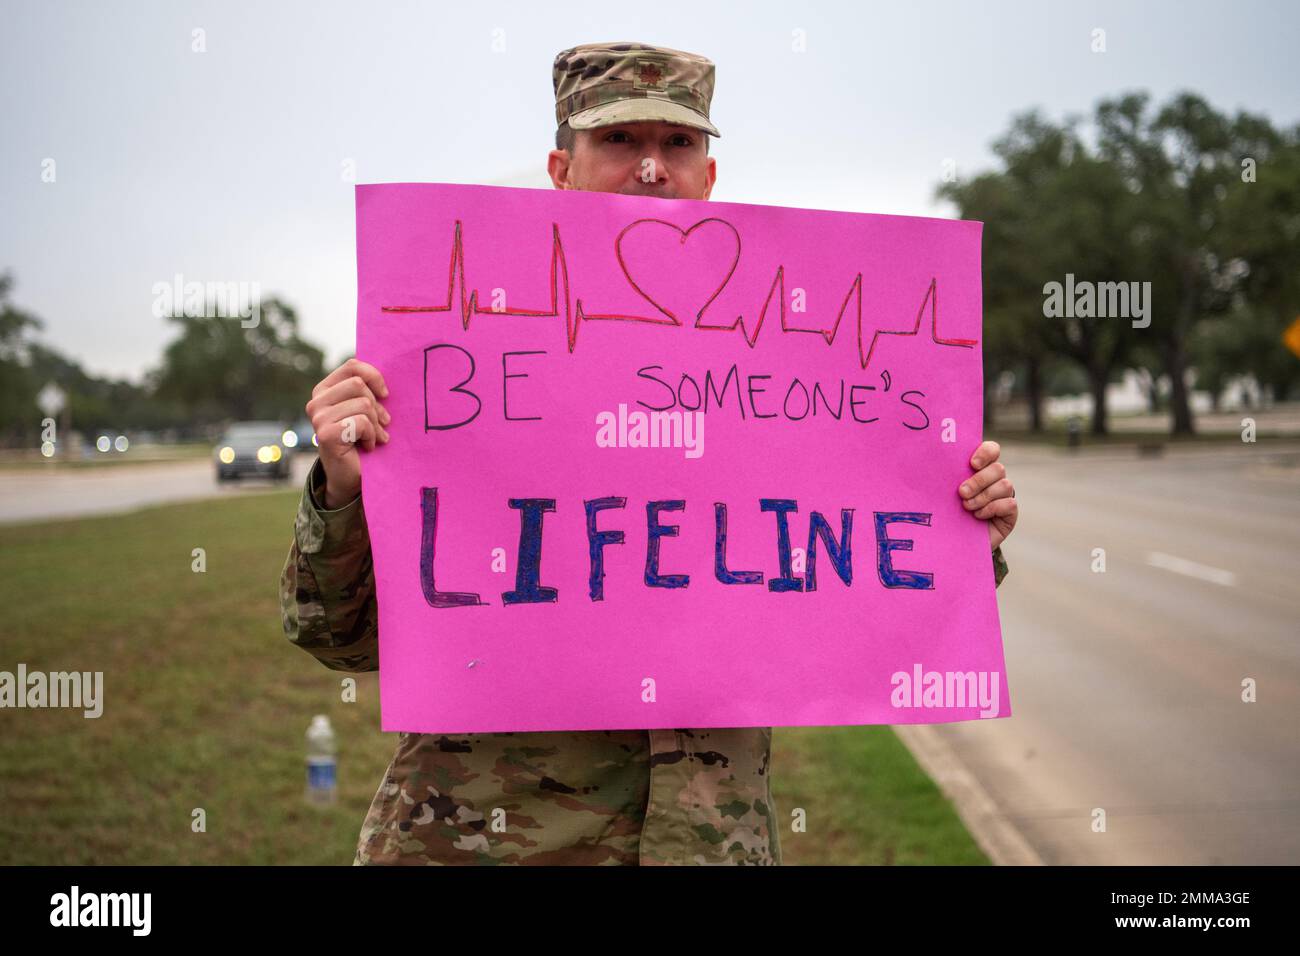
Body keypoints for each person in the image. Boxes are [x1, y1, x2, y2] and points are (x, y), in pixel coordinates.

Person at [278, 41, 1018, 866]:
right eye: (619, 141)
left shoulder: (790, 359)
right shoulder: (446, 356)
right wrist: (344, 486)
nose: (652, 169)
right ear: (562, 168)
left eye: (678, 145)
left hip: (701, 845)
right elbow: (338, 640)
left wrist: (961, 530)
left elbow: (859, 608)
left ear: (709, 175)